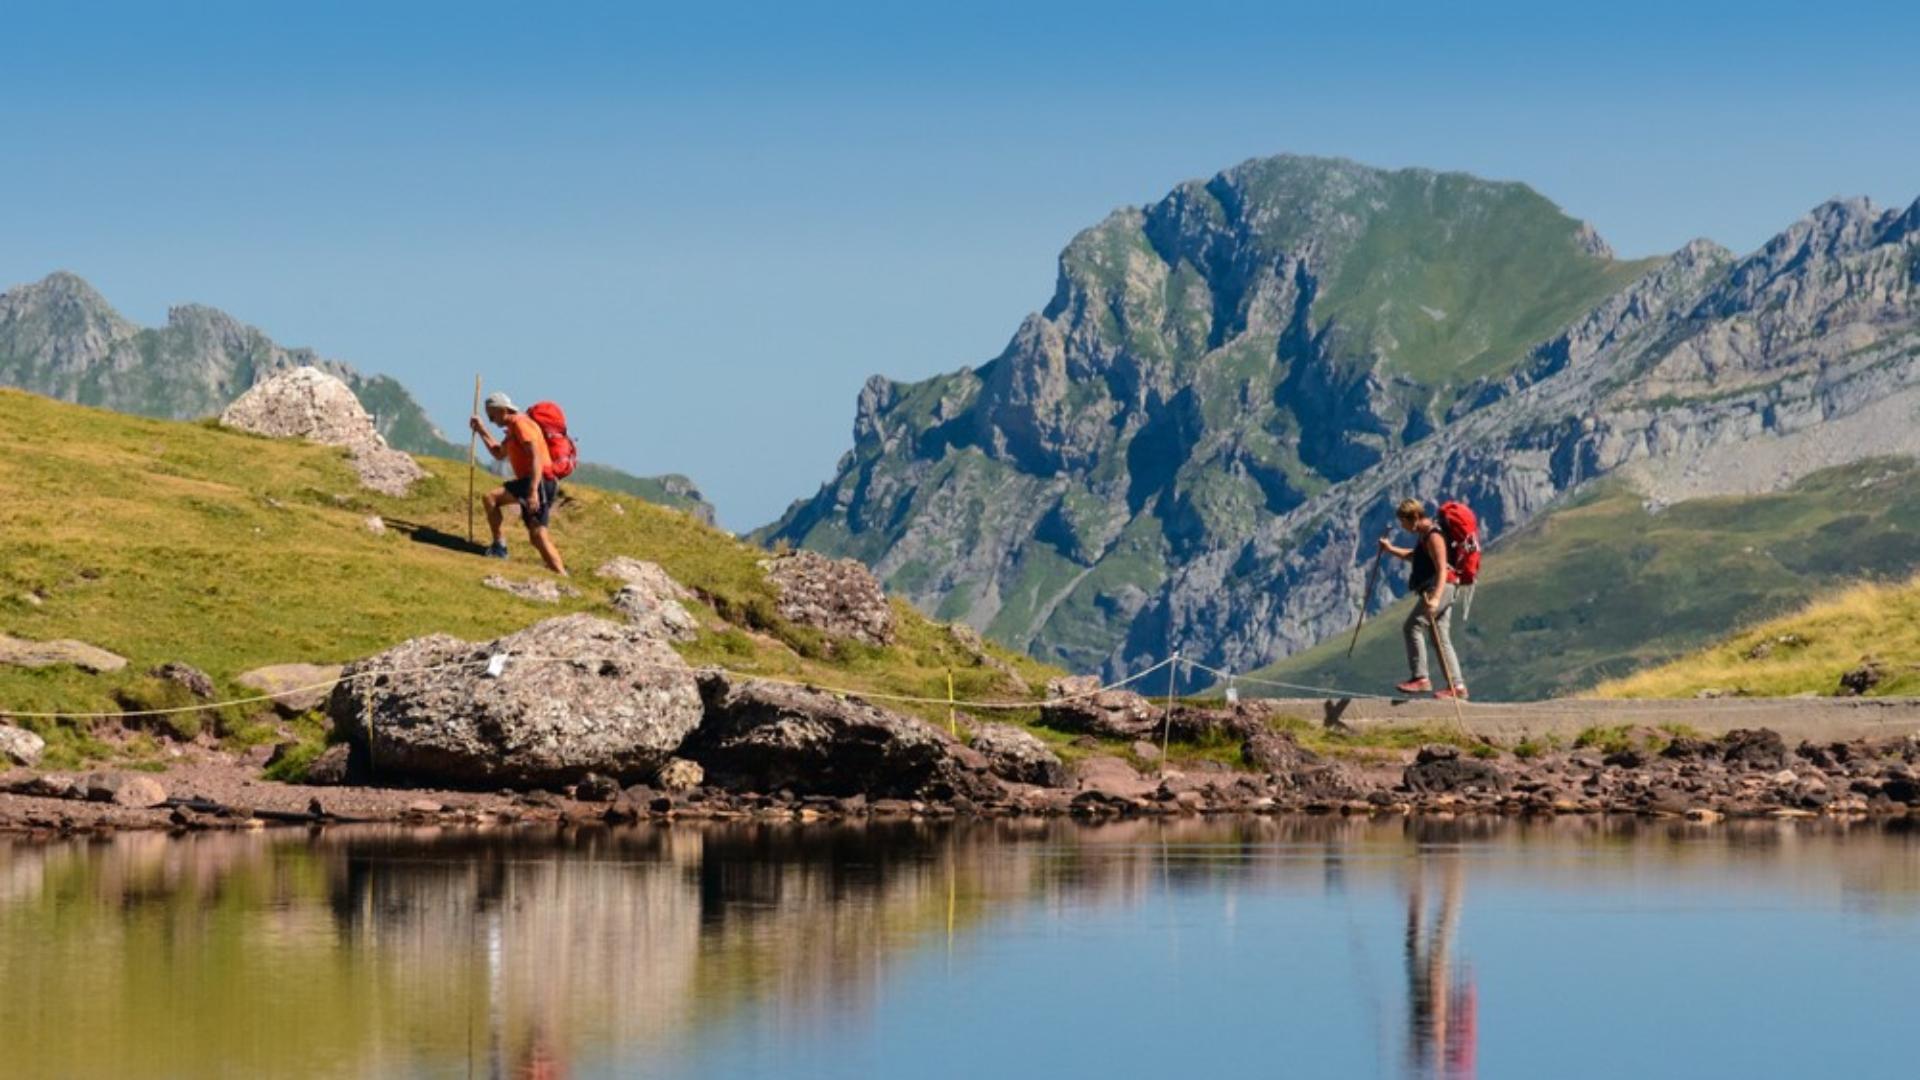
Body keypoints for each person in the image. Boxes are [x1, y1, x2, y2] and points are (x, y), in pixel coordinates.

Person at [469, 391, 568, 575]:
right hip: (529, 482)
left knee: (538, 535)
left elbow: (536, 457)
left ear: (503, 410)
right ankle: (500, 546)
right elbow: (499, 453)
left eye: (491, 415)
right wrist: (481, 430)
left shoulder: (521, 424)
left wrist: (532, 491)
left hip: (539, 481)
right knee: (492, 500)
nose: (490, 420)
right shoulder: (513, 428)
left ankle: (561, 574)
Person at [1379, 498, 1466, 699]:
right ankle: (1457, 687)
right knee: (1440, 637)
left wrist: (1435, 598)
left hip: (1441, 587)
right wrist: (1391, 549)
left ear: (1415, 517)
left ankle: (1421, 678)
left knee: (1413, 626)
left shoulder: (1433, 535)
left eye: (1404, 522)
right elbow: (1415, 556)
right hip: (1443, 587)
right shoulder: (1424, 536)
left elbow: (1442, 567)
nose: (1403, 527)